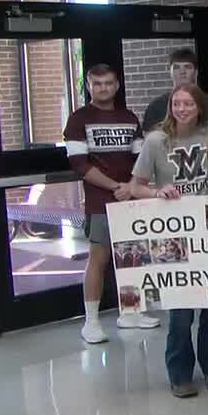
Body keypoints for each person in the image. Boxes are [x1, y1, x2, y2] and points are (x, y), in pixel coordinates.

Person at [130, 85, 208, 398]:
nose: (182, 108)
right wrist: (158, 192)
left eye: (188, 103)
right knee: (181, 313)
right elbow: (135, 186)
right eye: (177, 103)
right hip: (173, 234)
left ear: (199, 107)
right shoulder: (156, 140)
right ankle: (180, 374)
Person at [65, 64, 154, 344]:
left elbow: (141, 159)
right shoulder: (78, 119)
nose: (103, 88)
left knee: (132, 255)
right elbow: (80, 164)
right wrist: (116, 187)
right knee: (99, 259)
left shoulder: (129, 117)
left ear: (117, 85)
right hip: (100, 201)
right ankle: (91, 321)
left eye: (108, 83)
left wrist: (131, 188)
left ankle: (130, 313)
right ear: (89, 87)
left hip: (130, 197)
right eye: (97, 83)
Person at [142, 49, 208, 131]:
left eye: (187, 67)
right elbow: (149, 138)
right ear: (170, 72)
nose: (182, 71)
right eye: (176, 67)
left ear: (196, 72)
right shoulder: (156, 106)